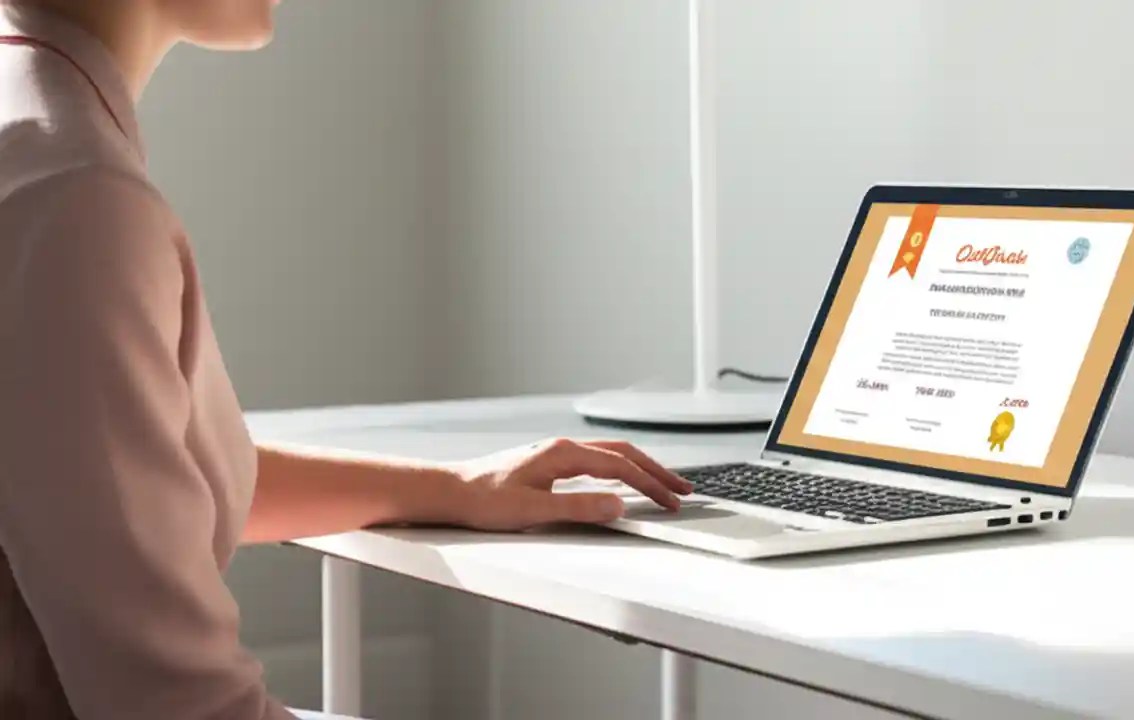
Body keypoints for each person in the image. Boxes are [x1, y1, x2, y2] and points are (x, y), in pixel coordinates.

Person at [0, 1, 692, 718]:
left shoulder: (38, 127)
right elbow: (179, 706)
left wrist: (456, 487)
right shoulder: (72, 200)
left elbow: (121, 484)